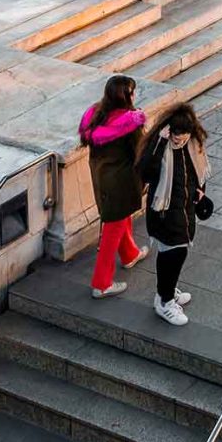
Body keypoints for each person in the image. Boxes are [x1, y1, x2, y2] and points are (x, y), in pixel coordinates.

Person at [138, 103, 211, 327]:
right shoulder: (159, 145)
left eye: (184, 137)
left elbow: (198, 174)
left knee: (176, 253)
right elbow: (146, 172)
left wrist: (200, 193)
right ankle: (165, 300)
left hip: (185, 209)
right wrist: (160, 142)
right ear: (168, 131)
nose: (179, 141)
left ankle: (166, 290)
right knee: (172, 254)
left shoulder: (193, 145)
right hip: (164, 212)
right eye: (176, 137)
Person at [81, 75, 148, 300]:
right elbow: (142, 151)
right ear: (126, 96)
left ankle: (130, 254)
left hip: (102, 178)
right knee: (112, 229)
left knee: (118, 220)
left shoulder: (95, 115)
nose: (135, 95)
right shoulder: (130, 122)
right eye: (132, 91)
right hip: (122, 181)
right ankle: (102, 284)